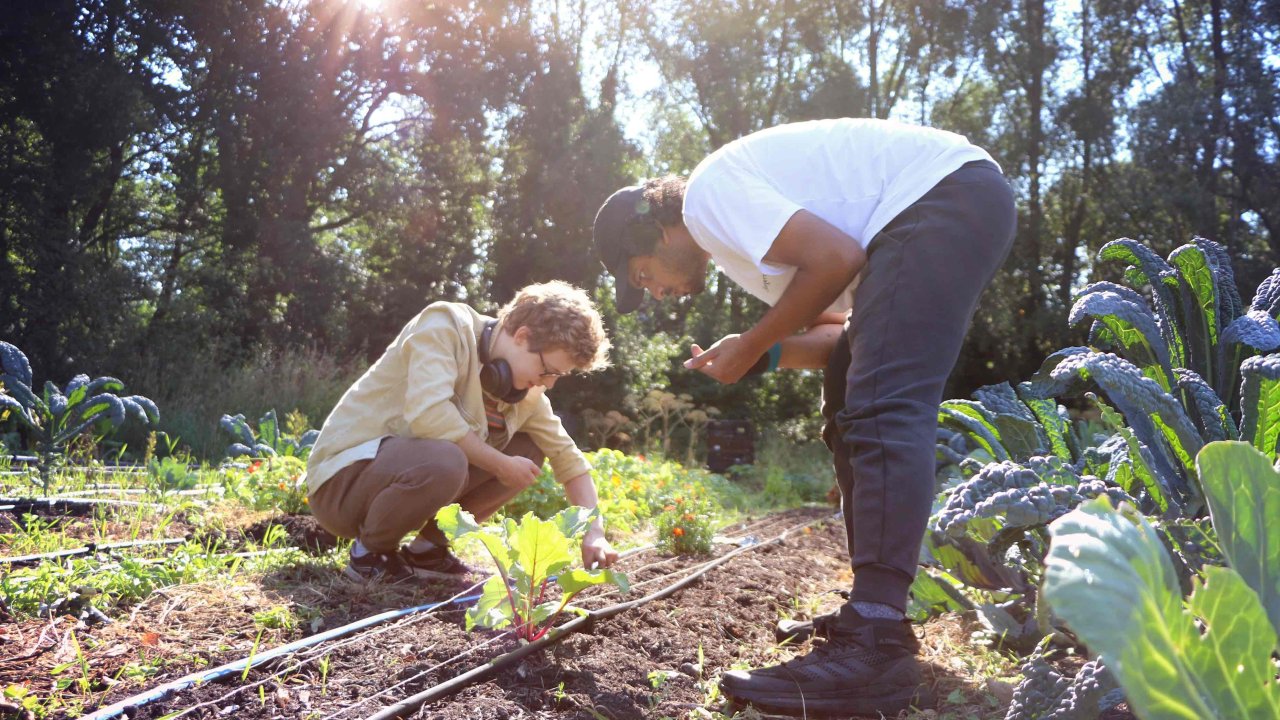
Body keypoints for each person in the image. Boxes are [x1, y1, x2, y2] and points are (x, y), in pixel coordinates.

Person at [592, 118, 1016, 715]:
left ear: (655, 229)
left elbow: (837, 259)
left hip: (939, 197)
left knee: (883, 404)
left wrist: (753, 340)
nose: (656, 294)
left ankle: (874, 635)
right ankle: (872, 609)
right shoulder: (742, 240)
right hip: (945, 203)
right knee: (850, 394)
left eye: (644, 276)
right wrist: (756, 352)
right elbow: (838, 336)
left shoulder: (708, 196)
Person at [304, 281, 619, 584]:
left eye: (558, 376)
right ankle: (369, 555)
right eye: (549, 370)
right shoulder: (445, 326)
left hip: (398, 476)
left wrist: (594, 532)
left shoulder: (527, 396)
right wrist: (499, 464)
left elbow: (568, 459)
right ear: (522, 336)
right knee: (447, 459)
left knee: (529, 448)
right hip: (340, 484)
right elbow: (430, 415)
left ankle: (427, 552)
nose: (549, 383)